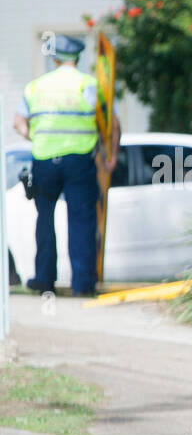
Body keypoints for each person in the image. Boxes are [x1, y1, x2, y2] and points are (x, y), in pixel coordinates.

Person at [12, 35, 116, 297]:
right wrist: (110, 156)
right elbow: (111, 124)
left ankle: (45, 281)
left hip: (44, 160)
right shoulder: (88, 84)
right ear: (77, 58)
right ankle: (83, 284)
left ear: (54, 58)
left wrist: (37, 138)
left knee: (45, 219)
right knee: (81, 221)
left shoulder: (35, 87)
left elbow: (18, 123)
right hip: (78, 161)